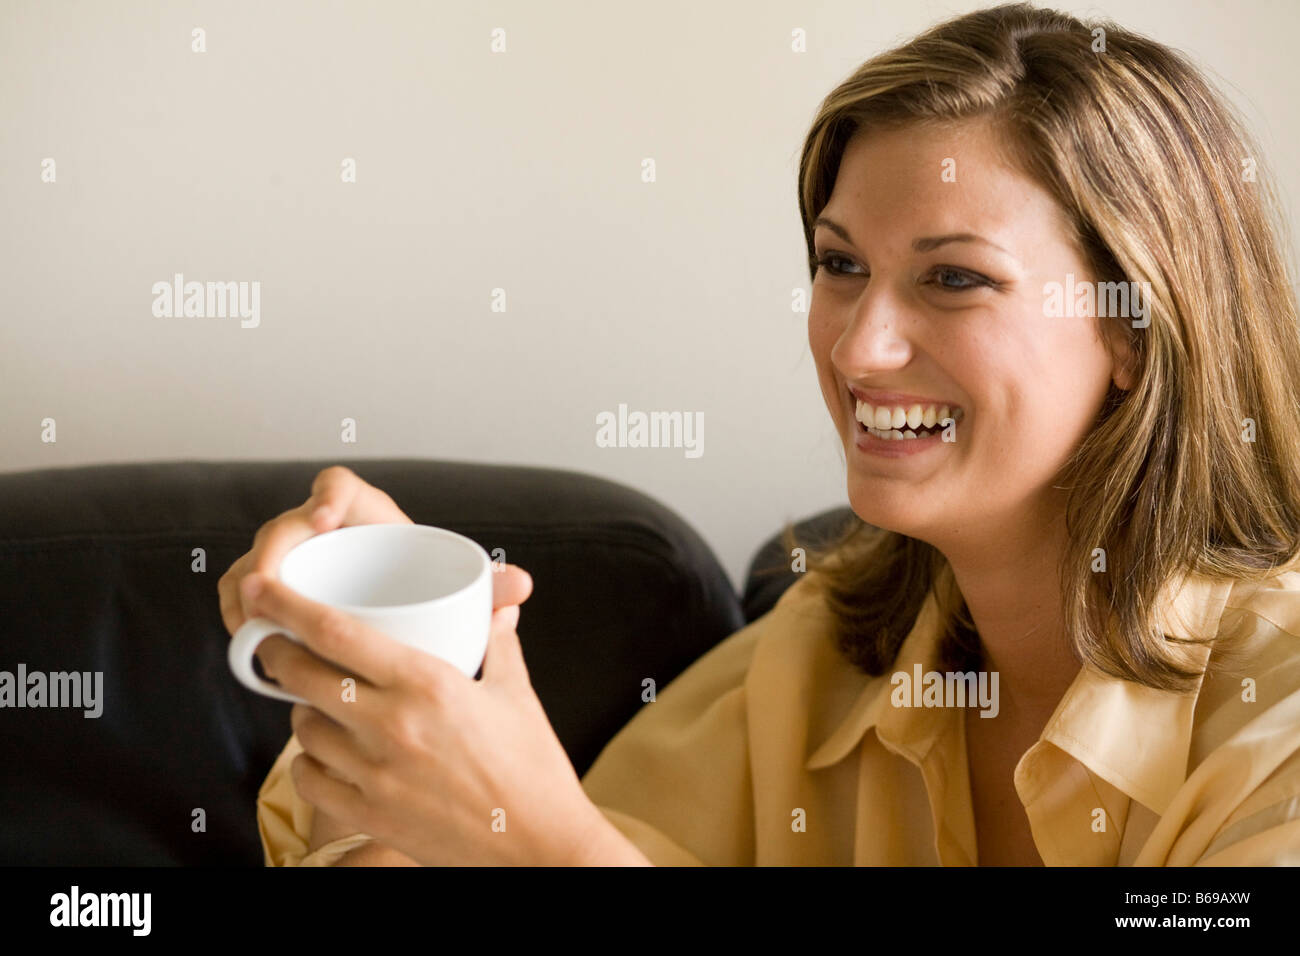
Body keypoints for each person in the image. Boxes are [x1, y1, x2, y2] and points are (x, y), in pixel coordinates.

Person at [224, 3, 1300, 865]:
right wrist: (386, 642)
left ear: (1135, 328)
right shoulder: (820, 657)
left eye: (954, 277)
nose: (861, 347)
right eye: (840, 264)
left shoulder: (1277, 714)